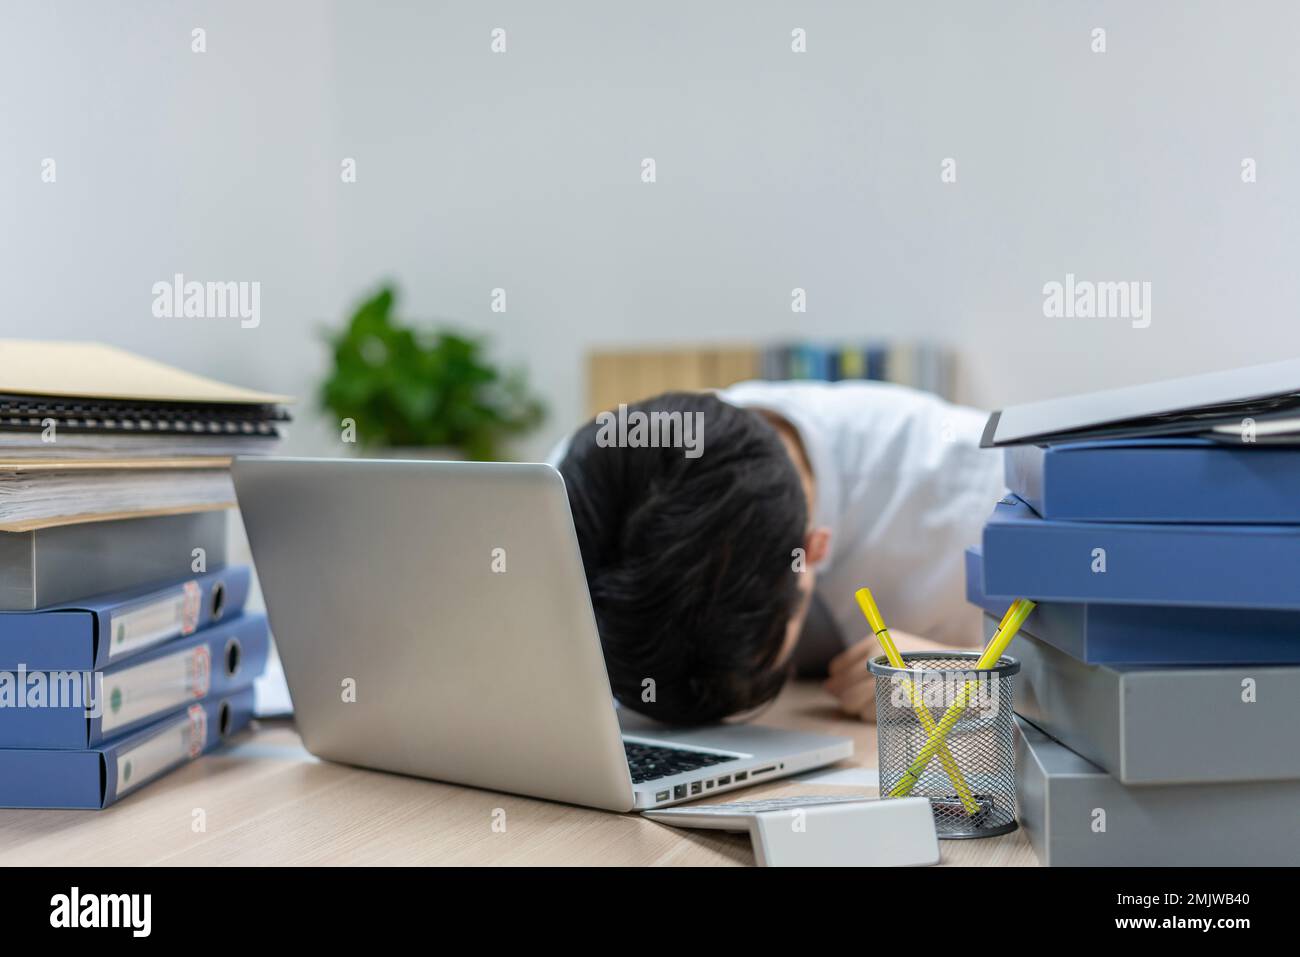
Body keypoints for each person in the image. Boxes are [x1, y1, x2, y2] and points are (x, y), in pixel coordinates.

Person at [553, 380, 1006, 725]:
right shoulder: (577, 493)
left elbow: (1076, 677)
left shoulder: (982, 490)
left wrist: (967, 677)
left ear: (813, 549)